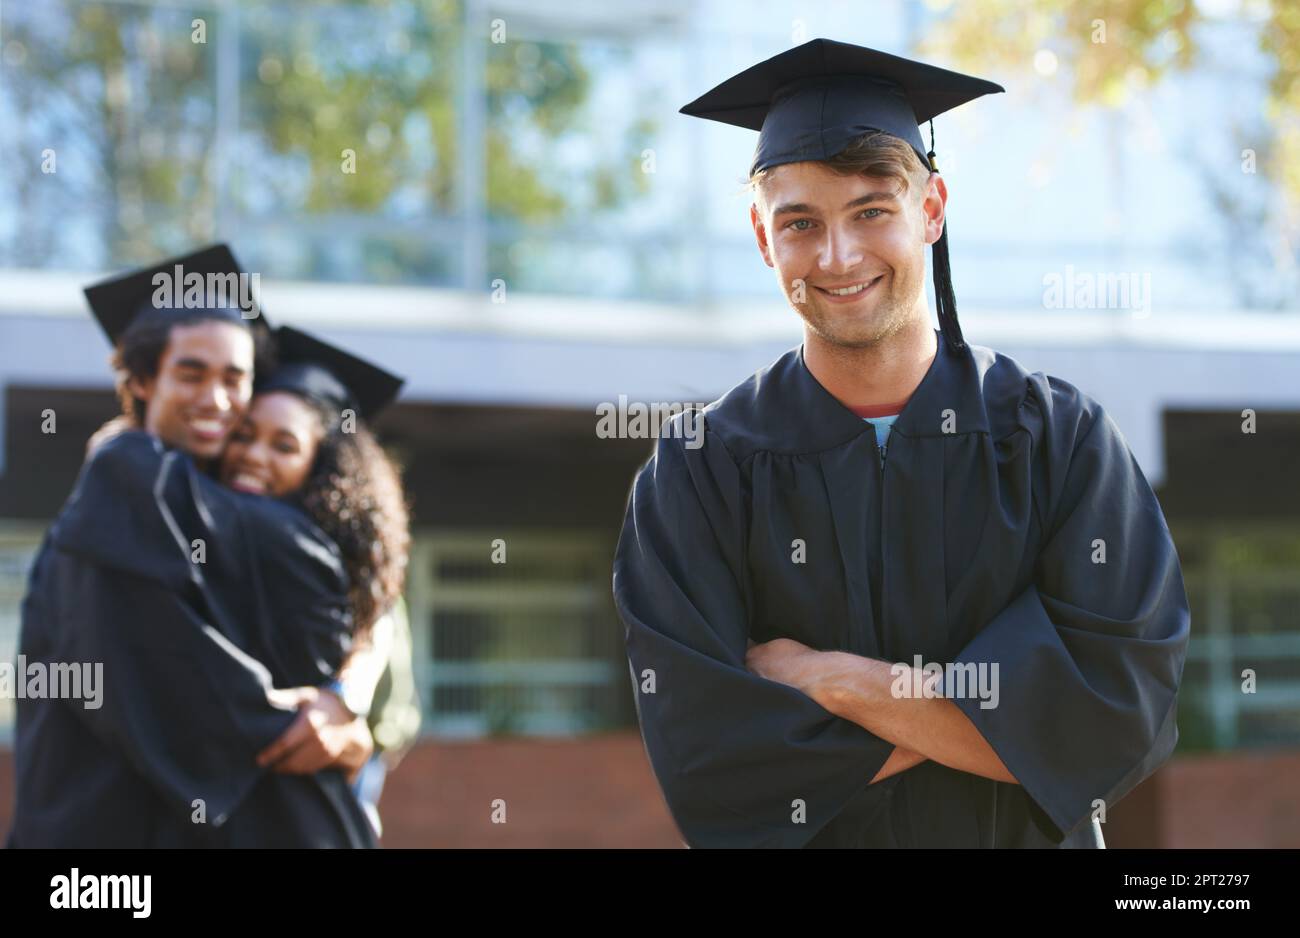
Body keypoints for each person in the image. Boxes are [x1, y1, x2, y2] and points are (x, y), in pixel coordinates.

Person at [612, 39, 1190, 849]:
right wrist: (1011, 726)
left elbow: (1117, 718)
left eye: (872, 210)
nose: (838, 256)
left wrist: (832, 682)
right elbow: (713, 768)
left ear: (932, 207)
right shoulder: (699, 475)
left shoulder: (1059, 443)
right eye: (801, 223)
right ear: (760, 233)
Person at [8, 247, 384, 847]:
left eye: (234, 378)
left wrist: (345, 704)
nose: (215, 399)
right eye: (191, 373)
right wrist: (289, 718)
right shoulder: (112, 498)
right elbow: (160, 682)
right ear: (140, 379)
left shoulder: (212, 509)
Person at [215, 324, 416, 837]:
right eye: (243, 434)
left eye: (283, 445)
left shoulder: (348, 564)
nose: (254, 456)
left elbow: (374, 635)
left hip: (344, 762)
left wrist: (339, 700)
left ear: (321, 467)